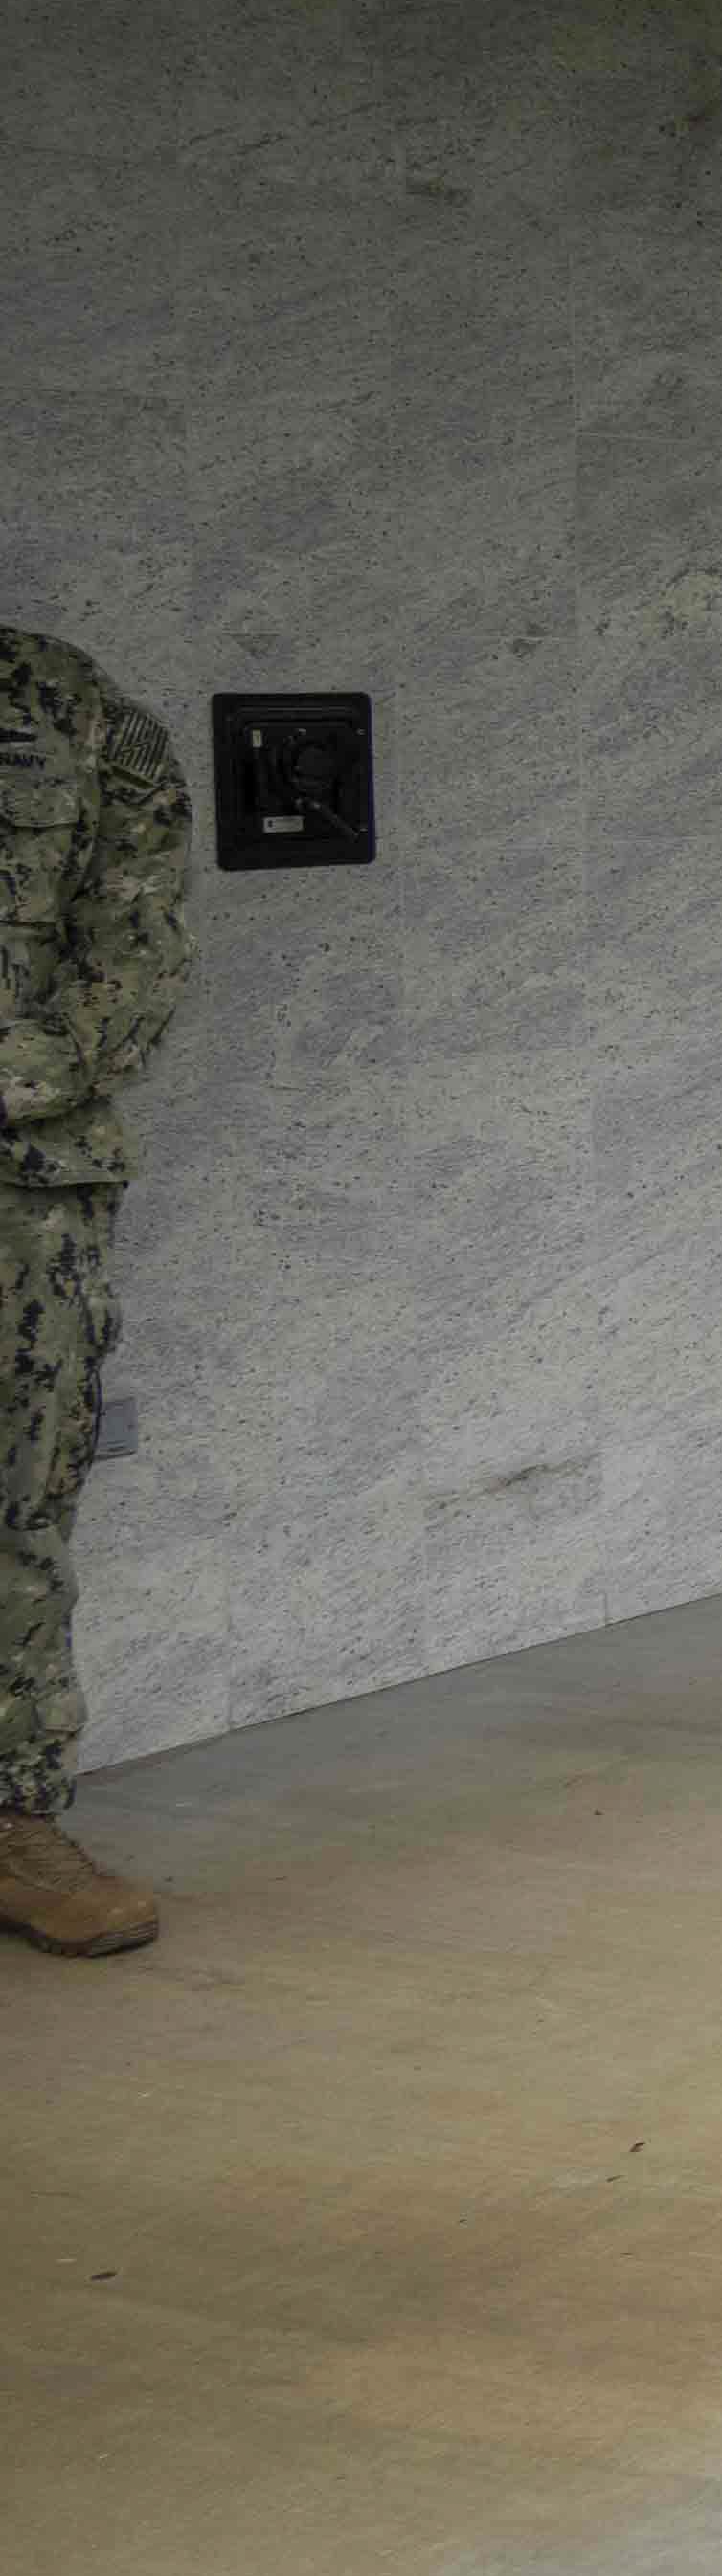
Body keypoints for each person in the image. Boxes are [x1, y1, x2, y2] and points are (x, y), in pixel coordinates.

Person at [3, 621, 189, 1962]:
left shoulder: (58, 703)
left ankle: (13, 1821)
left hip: (20, 1177)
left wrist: (26, 1068)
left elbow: (139, 921)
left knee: (16, 1497)